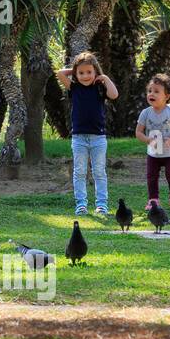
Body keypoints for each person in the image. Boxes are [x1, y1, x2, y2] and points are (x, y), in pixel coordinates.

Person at [56, 51, 118, 218]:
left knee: (99, 172)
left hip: (98, 138)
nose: (85, 76)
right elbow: (60, 74)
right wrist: (75, 70)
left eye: (89, 72)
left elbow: (114, 95)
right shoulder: (74, 88)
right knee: (80, 172)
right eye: (81, 73)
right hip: (79, 139)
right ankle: (81, 205)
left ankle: (101, 205)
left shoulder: (99, 88)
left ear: (95, 71)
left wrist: (104, 77)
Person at [135, 73, 170, 209]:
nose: (152, 94)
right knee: (151, 177)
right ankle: (153, 200)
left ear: (167, 96)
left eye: (157, 91)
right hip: (153, 153)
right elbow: (138, 132)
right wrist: (148, 140)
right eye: (150, 91)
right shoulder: (145, 113)